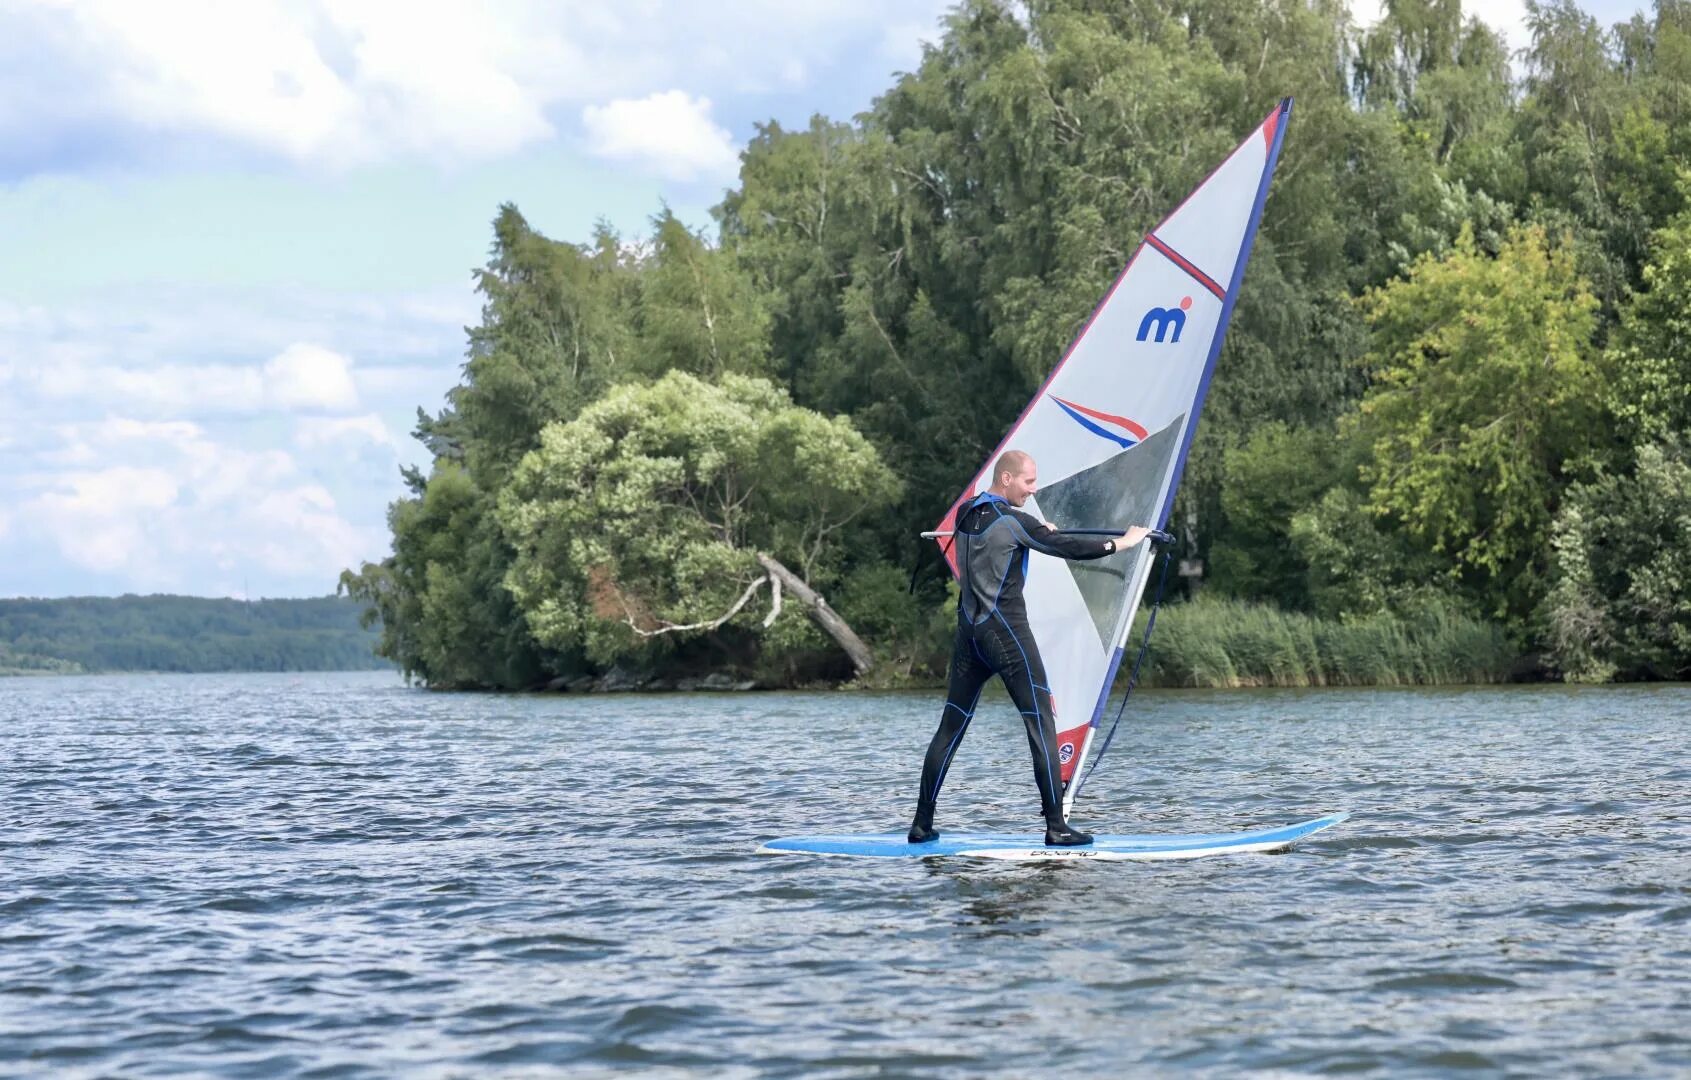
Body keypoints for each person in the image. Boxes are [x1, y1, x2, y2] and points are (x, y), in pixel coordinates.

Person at [911, 449, 1149, 846]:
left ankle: (920, 826)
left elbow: (1008, 537)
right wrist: (1121, 543)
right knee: (1040, 724)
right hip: (1006, 638)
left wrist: (1036, 528)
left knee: (950, 728)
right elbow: (1069, 548)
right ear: (1005, 479)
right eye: (1028, 481)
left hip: (969, 637)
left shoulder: (966, 512)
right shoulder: (1014, 522)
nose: (1032, 488)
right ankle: (1056, 827)